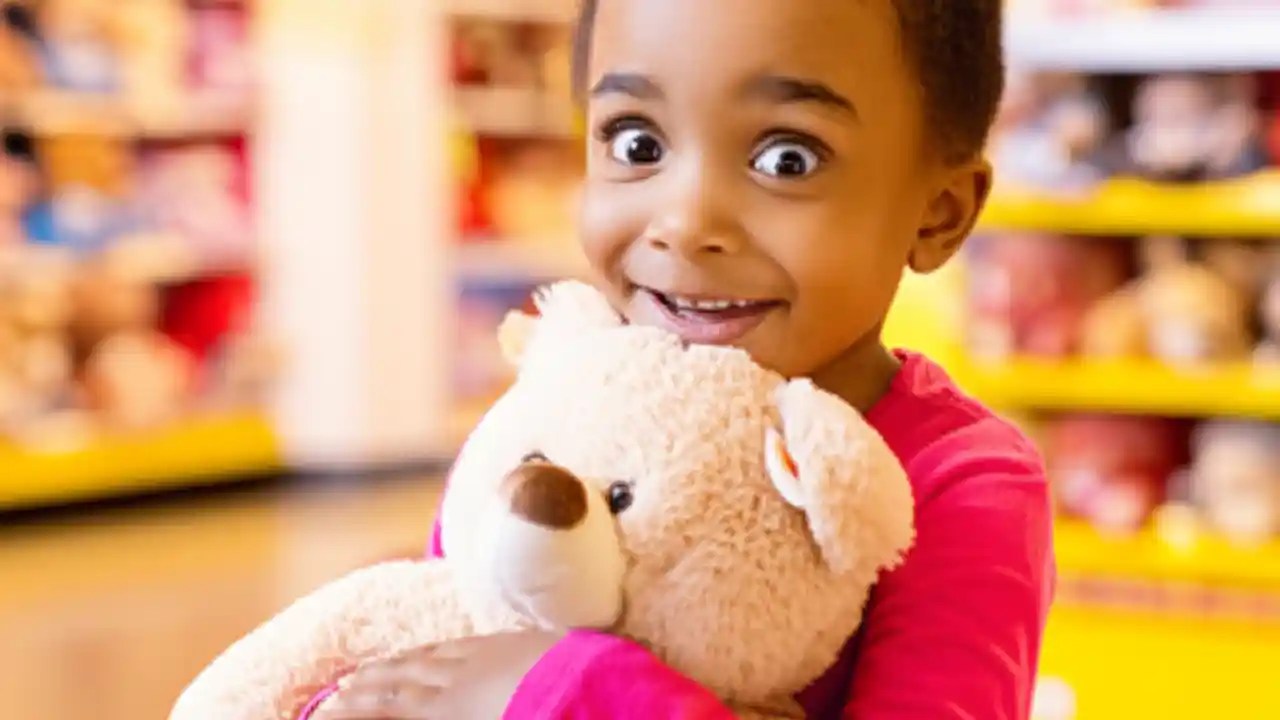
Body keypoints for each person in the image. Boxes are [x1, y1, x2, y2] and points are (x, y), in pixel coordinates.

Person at [312, 0, 1055, 717]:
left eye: (787, 159)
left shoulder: (961, 486)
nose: (685, 223)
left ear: (940, 212)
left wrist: (573, 692)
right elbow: (427, 641)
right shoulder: (560, 409)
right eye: (637, 143)